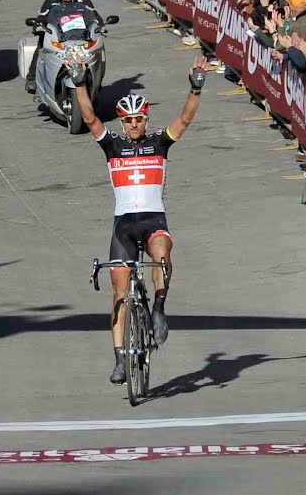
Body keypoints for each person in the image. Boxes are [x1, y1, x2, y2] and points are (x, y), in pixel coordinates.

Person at [70, 57, 208, 386]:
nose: (134, 125)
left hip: (152, 219)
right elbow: (89, 118)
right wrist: (78, 83)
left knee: (161, 254)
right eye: (129, 120)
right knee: (118, 293)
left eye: (138, 119)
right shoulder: (112, 146)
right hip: (123, 227)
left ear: (146, 119)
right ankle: (120, 359)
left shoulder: (159, 143)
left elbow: (185, 119)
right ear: (122, 122)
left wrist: (196, 86)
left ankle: (159, 308)